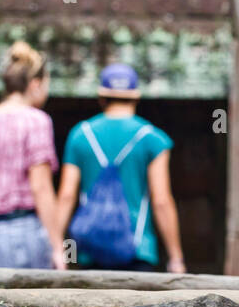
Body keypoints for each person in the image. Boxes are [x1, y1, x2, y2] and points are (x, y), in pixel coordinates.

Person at [57, 63, 186, 273]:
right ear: (136, 97)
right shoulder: (153, 139)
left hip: (91, 247)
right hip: (138, 249)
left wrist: (56, 248)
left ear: (101, 97)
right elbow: (161, 201)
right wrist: (176, 258)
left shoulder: (80, 135)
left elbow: (66, 195)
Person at [0, 42, 67, 270]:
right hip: (22, 231)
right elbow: (41, 188)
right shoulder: (36, 121)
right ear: (35, 84)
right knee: (27, 304)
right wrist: (58, 247)